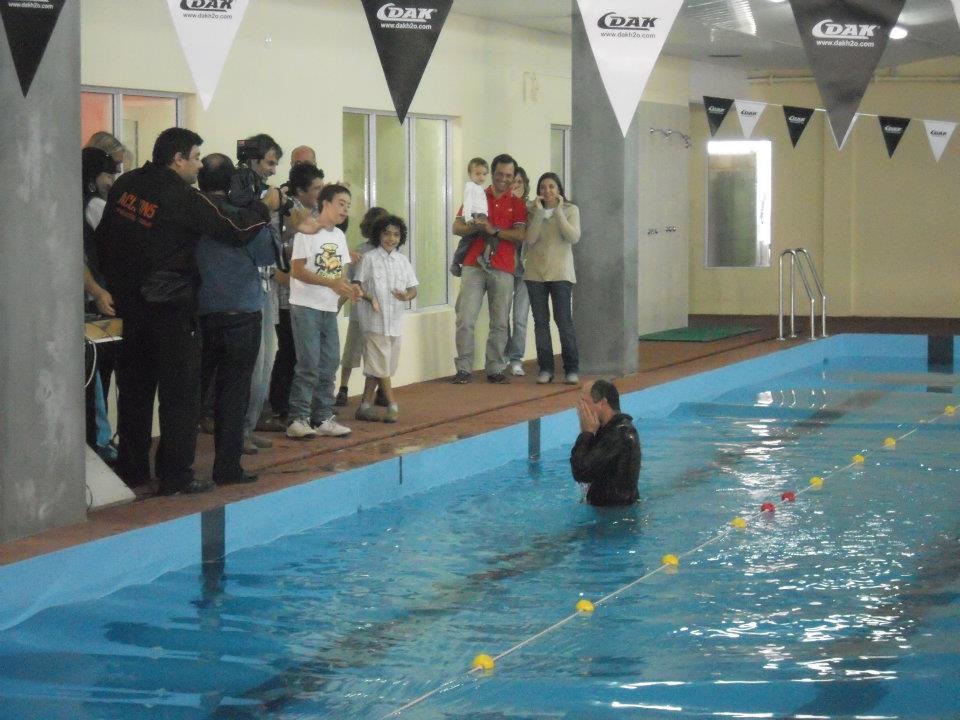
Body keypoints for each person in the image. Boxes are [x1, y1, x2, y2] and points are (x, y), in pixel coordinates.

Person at [96, 127, 270, 495]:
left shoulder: (126, 184)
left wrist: (114, 287)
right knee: (180, 395)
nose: (197, 166)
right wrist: (264, 207)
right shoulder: (183, 196)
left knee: (135, 390)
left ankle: (133, 469)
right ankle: (175, 475)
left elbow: (103, 239)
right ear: (177, 159)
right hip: (171, 307)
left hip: (130, 306)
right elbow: (235, 229)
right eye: (194, 158)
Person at [196, 153, 278, 486]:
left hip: (201, 315)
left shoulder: (191, 214)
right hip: (242, 314)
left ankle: (179, 468)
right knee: (234, 394)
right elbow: (268, 256)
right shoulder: (247, 220)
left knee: (193, 393)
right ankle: (227, 467)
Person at [286, 184, 362, 439]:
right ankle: (298, 418)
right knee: (308, 363)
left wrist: (350, 289)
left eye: (348, 206)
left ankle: (322, 417)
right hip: (306, 306)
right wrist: (330, 283)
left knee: (330, 363)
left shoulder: (339, 236)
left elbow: (341, 273)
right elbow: (296, 271)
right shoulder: (307, 231)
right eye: (341, 203)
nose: (345, 210)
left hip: (329, 308)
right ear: (326, 203)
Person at [450, 153, 527, 385]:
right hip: (474, 264)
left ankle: (494, 367)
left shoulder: (517, 204)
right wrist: (475, 226)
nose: (504, 179)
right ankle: (464, 367)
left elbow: (521, 234)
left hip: (503, 266)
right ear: (492, 173)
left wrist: (493, 230)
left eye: (509, 175)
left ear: (514, 177)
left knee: (500, 322)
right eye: (500, 174)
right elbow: (457, 226)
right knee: (465, 318)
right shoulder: (476, 194)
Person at [270, 162, 325, 424]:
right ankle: (282, 407)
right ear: (300, 190)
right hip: (287, 294)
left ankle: (304, 406)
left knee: (310, 354)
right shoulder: (284, 212)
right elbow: (278, 250)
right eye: (316, 189)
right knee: (290, 353)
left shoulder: (317, 212)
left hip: (312, 295)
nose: (320, 193)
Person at [353, 214, 419, 423]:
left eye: (396, 234)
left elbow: (413, 288)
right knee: (380, 365)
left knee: (382, 367)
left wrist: (406, 296)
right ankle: (392, 405)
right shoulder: (369, 259)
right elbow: (357, 286)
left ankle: (364, 406)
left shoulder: (402, 260)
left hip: (396, 322)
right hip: (374, 321)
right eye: (387, 233)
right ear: (379, 235)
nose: (391, 238)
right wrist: (370, 298)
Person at [82, 147, 121, 464]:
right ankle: (100, 444)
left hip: (95, 298)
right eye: (108, 174)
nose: (113, 180)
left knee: (98, 376)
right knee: (96, 377)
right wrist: (96, 288)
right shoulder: (94, 207)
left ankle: (100, 442)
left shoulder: (86, 205)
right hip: (95, 302)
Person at [523, 172, 581, 385]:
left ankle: (571, 368)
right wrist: (538, 214)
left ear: (559, 190)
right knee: (540, 323)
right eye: (543, 187)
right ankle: (546, 368)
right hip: (535, 274)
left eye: (552, 187)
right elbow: (530, 239)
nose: (547, 191)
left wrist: (558, 213)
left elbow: (573, 237)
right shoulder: (532, 211)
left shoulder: (570, 210)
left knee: (564, 321)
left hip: (561, 274)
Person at [335, 206, 389, 407]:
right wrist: (338, 304)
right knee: (351, 353)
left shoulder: (389, 253)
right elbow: (349, 282)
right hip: (360, 312)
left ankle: (382, 390)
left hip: (381, 314)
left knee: (378, 354)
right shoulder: (360, 251)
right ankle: (343, 388)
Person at [571, 379, 641, 506]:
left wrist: (586, 433)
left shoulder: (619, 435)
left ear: (602, 402)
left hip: (612, 519)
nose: (580, 410)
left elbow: (580, 472)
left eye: (584, 403)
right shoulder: (611, 429)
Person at [505, 166, 531, 376]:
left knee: (520, 318)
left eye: (519, 183)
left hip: (526, 271)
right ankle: (504, 354)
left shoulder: (532, 208)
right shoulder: (502, 207)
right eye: (512, 183)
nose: (515, 187)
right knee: (501, 317)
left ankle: (516, 359)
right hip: (504, 268)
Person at [449, 157, 492, 276]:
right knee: (467, 240)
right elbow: (467, 203)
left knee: (487, 237)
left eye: (484, 174)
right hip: (473, 216)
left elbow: (482, 204)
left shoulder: (480, 188)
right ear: (470, 174)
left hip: (481, 216)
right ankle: (456, 262)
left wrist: (486, 215)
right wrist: (468, 218)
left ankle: (483, 258)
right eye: (477, 173)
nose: (481, 177)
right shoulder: (470, 187)